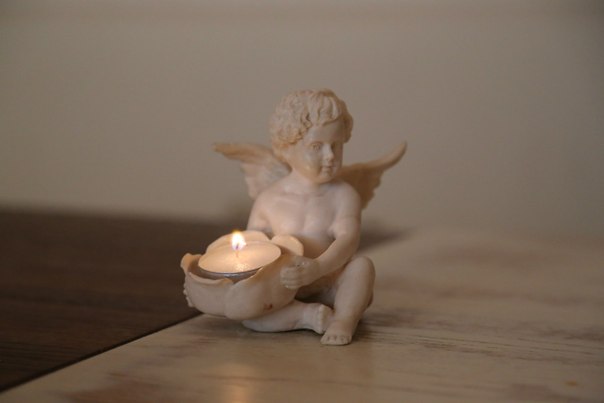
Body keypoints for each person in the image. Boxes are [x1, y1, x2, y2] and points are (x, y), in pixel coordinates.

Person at [241, 89, 375, 346]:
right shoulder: (269, 200)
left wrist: (318, 268)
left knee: (362, 267)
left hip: (331, 280)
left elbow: (348, 240)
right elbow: (249, 251)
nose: (330, 156)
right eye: (316, 146)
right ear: (285, 149)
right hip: (283, 285)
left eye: (336, 145)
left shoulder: (343, 195)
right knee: (248, 314)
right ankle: (308, 316)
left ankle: (344, 319)